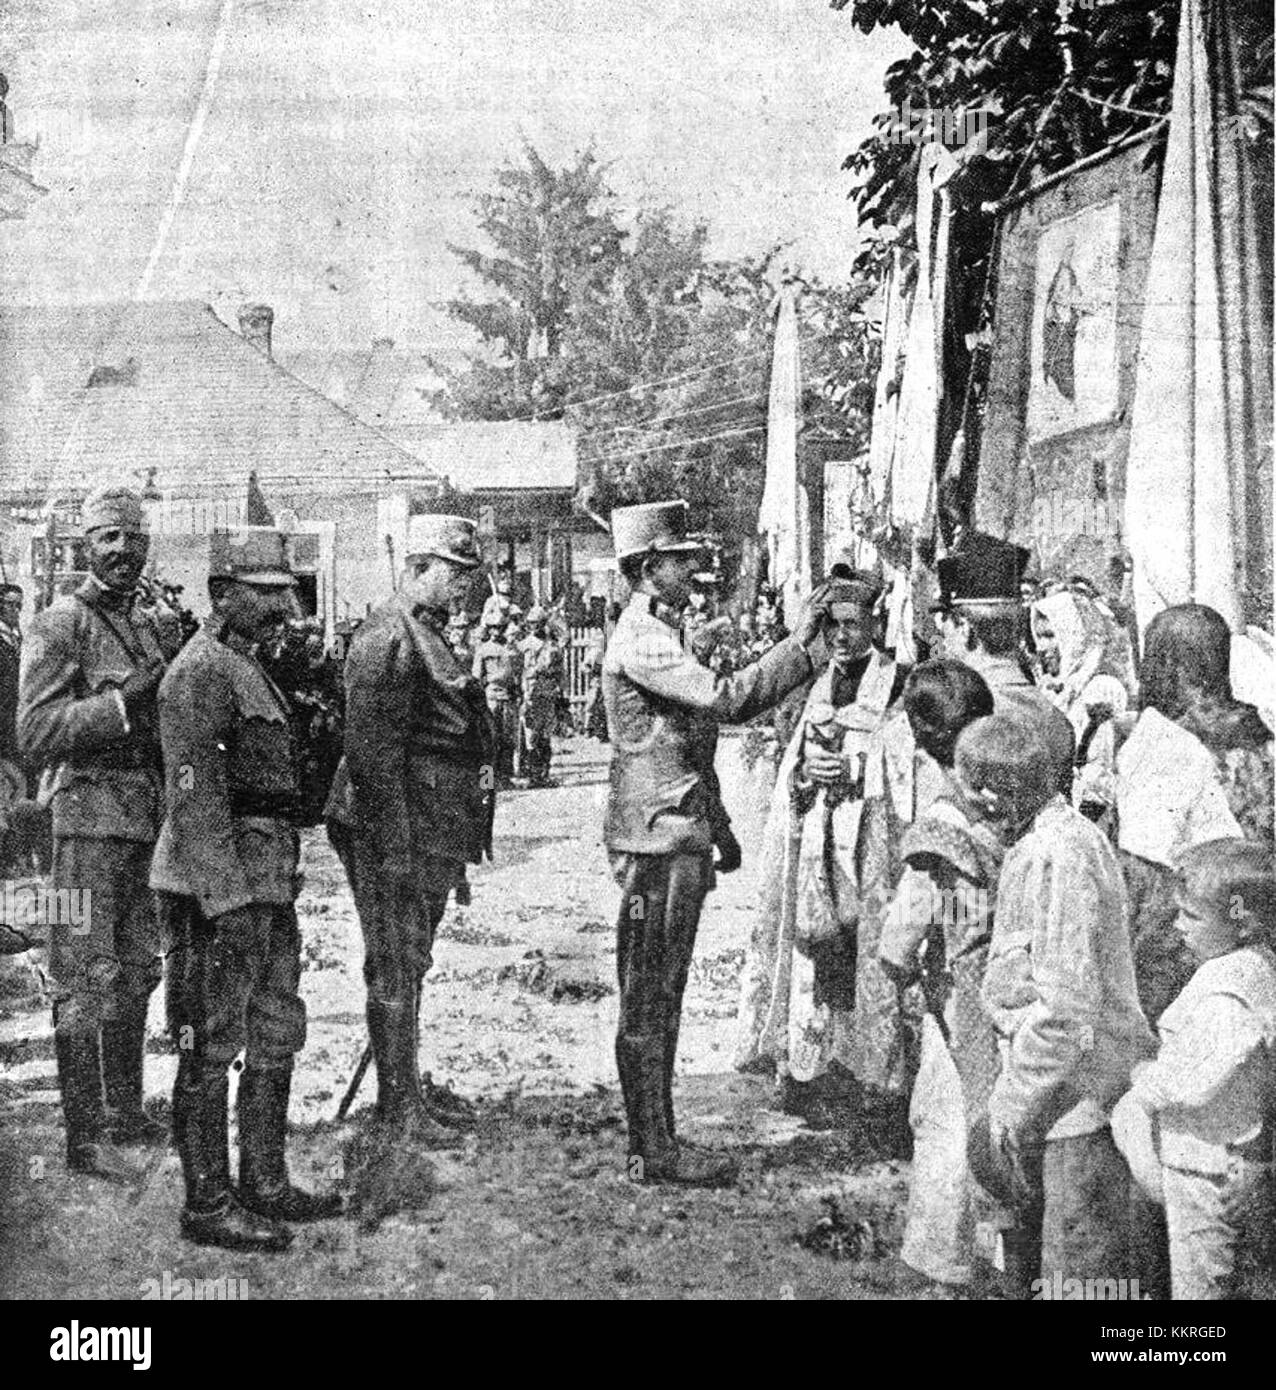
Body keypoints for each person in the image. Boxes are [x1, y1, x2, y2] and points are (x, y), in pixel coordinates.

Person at [603, 499, 831, 1187]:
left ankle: (659, 1138)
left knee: (660, 990)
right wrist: (799, 647)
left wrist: (722, 827)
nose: (694, 570)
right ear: (647, 568)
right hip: (658, 841)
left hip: (677, 832)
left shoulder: (661, 630)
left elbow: (690, 747)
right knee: (649, 994)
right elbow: (725, 700)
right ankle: (652, 1147)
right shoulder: (641, 637)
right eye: (681, 560)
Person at [152, 528, 342, 1251]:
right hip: (216, 894)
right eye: (266, 596)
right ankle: (207, 1204)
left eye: (284, 596)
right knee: (207, 1042)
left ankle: (264, 1182)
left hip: (265, 883)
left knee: (273, 1030)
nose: (282, 611)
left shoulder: (244, 665)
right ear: (222, 594)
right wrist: (226, 904)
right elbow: (196, 801)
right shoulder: (198, 673)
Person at [18, 485, 183, 1182]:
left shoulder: (146, 624)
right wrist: (122, 703)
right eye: (110, 538)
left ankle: (124, 1110)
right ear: (88, 545)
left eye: (134, 538)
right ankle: (85, 1136)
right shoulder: (62, 623)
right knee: (85, 974)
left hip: (143, 823)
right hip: (85, 823)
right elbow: (33, 732)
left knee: (139, 970)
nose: (124, 551)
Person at [970, 715, 1155, 1292]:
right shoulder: (1047, 842)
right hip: (1055, 1096)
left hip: (1074, 1101)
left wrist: (1012, 1103)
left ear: (991, 795)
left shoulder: (1059, 855)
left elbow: (1067, 1008)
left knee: (1083, 1270)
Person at [325, 515, 494, 1143]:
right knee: (394, 963)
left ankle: (407, 1090)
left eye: (467, 577)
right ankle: (398, 1110)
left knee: (411, 960)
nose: (463, 589)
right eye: (454, 576)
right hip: (391, 832)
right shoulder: (385, 639)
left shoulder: (427, 633)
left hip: (428, 829)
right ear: (417, 569)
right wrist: (395, 853)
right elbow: (373, 762)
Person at [734, 572, 907, 1122]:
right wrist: (806, 773)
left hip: (876, 843)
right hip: (818, 840)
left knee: (868, 951)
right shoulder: (813, 686)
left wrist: (860, 766)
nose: (840, 637)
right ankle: (814, 1068)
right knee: (817, 951)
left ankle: (873, 1075)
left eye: (852, 625)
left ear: (875, 625)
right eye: (830, 625)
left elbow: (906, 769)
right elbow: (789, 764)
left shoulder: (899, 684)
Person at [876, 661, 1000, 1290]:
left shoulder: (943, 825)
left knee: (947, 1125)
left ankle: (945, 1266)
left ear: (922, 741)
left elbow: (902, 936)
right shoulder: (1008, 802)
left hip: (958, 998)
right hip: (1013, 988)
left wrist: (895, 968)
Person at [1110, 839, 1276, 1300]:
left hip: (1206, 1161)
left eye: (1193, 916)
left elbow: (1196, 1078)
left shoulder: (1228, 992)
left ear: (1243, 922)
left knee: (1202, 1282)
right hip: (1220, 1151)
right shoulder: (1249, 969)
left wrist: (1145, 1081)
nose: (1179, 926)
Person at [1116, 603, 1274, 1024]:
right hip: (1254, 918)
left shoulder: (1159, 741)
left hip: (1193, 934)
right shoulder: (1262, 732)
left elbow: (1145, 872)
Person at [931, 531, 1074, 792]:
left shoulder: (960, 720)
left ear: (964, 627)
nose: (943, 638)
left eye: (945, 625)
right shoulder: (1057, 720)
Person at [1030, 582, 1136, 824]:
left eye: (1049, 636)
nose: (1041, 647)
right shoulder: (1055, 690)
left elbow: (1098, 779)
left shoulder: (1099, 689)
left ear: (1073, 635)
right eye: (1039, 636)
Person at [472, 611, 522, 786]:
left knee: (507, 739)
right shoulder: (483, 650)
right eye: (493, 627)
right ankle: (487, 781)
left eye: (500, 627)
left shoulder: (510, 649)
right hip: (491, 696)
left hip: (508, 697)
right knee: (489, 740)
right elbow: (477, 676)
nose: (496, 631)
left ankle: (505, 778)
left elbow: (517, 673)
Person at [518, 605, 563, 787]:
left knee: (546, 735)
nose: (533, 627)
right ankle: (532, 776)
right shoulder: (524, 645)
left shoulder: (552, 645)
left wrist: (561, 689)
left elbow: (560, 671)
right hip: (530, 694)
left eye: (537, 624)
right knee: (531, 736)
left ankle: (544, 774)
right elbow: (520, 671)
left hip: (548, 694)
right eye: (530, 624)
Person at [0, 583, 23, 767]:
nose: (16, 611)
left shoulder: (16, 638)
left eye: (19, 606)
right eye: (11, 605)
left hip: (15, 716)